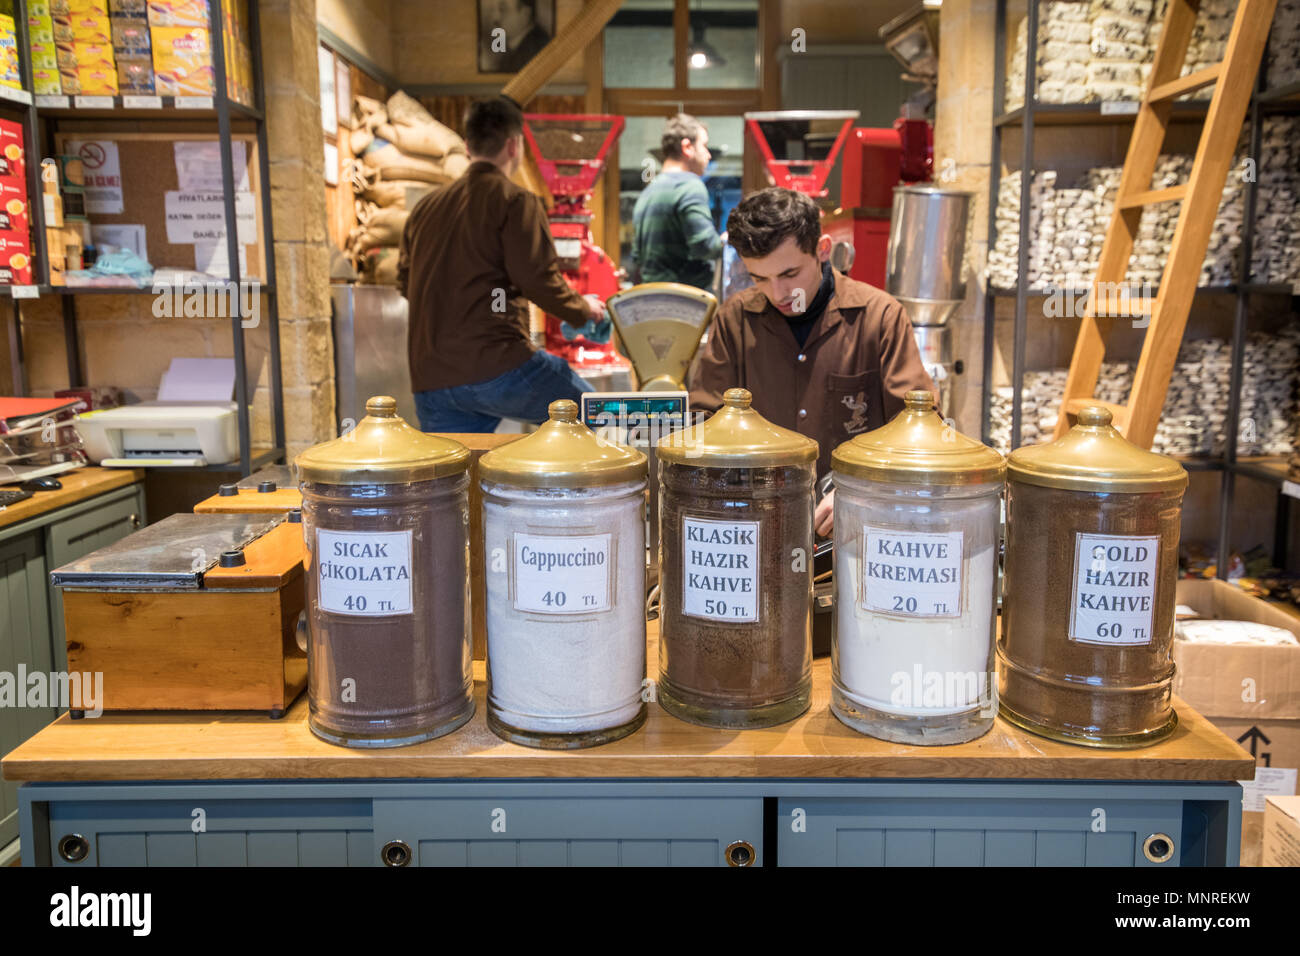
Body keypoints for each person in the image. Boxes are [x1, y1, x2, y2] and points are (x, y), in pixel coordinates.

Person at [687, 187, 934, 536]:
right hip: (757, 529)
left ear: (822, 250)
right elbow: (704, 427)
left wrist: (859, 488)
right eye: (759, 278)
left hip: (860, 532)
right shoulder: (734, 321)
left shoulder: (880, 317)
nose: (777, 293)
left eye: (789, 274)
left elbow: (918, 428)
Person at [398, 96, 609, 433]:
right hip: (497, 368)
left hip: (431, 378)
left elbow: (406, 283)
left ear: (467, 146)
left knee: (457, 476)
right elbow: (537, 280)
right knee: (596, 414)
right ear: (514, 146)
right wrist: (584, 309)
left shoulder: (425, 209)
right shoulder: (516, 202)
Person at [630, 113, 725, 290]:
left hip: (650, 299)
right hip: (684, 303)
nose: (709, 155)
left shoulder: (648, 192)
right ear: (687, 147)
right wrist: (726, 242)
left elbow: (637, 257)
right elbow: (705, 246)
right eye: (704, 146)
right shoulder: (689, 186)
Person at [480, 0, 550, 73]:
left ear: (525, 14)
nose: (495, 19)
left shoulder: (538, 50)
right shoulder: (510, 51)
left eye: (503, 10)